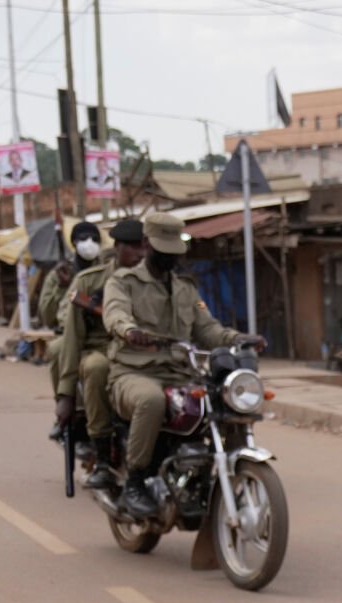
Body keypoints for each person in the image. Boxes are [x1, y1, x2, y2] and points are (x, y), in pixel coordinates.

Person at [102, 211, 261, 519]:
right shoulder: (123, 282)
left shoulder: (186, 288)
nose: (170, 258)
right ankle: (135, 481)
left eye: (175, 252)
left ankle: (222, 475)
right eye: (164, 251)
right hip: (133, 372)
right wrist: (129, 331)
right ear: (147, 245)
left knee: (224, 402)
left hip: (180, 373)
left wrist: (239, 338)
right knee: (151, 400)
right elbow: (115, 314)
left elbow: (208, 329)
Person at [56, 219, 146, 489]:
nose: (140, 254)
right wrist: (65, 394)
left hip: (146, 352)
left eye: (143, 247)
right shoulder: (88, 281)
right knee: (96, 368)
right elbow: (72, 336)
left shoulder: (157, 281)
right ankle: (103, 455)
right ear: (117, 247)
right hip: (101, 349)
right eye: (132, 247)